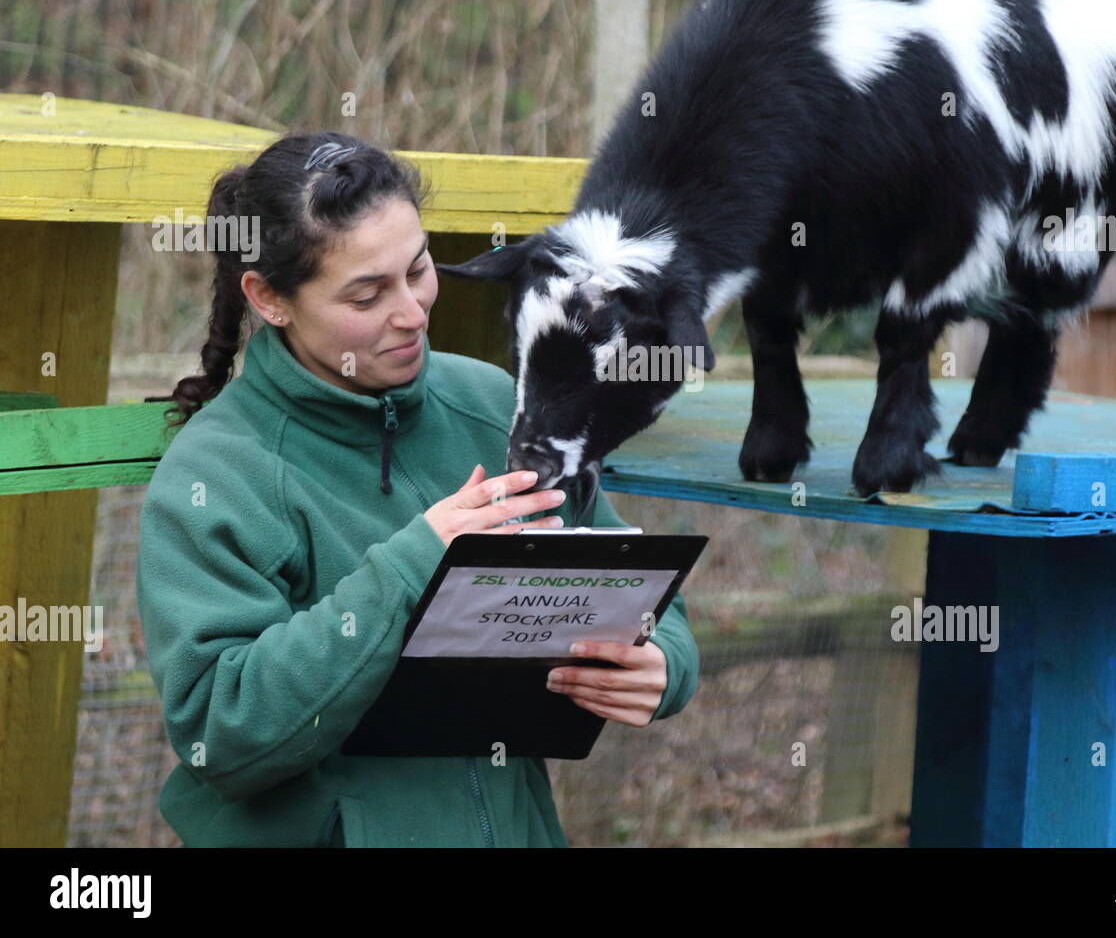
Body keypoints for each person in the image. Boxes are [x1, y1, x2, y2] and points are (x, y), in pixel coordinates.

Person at [135, 131, 700, 847]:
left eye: (419, 269)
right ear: (270, 298)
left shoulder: (496, 405)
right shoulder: (217, 475)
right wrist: (414, 567)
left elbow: (640, 587)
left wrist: (663, 664)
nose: (411, 312)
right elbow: (222, 731)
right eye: (367, 294)